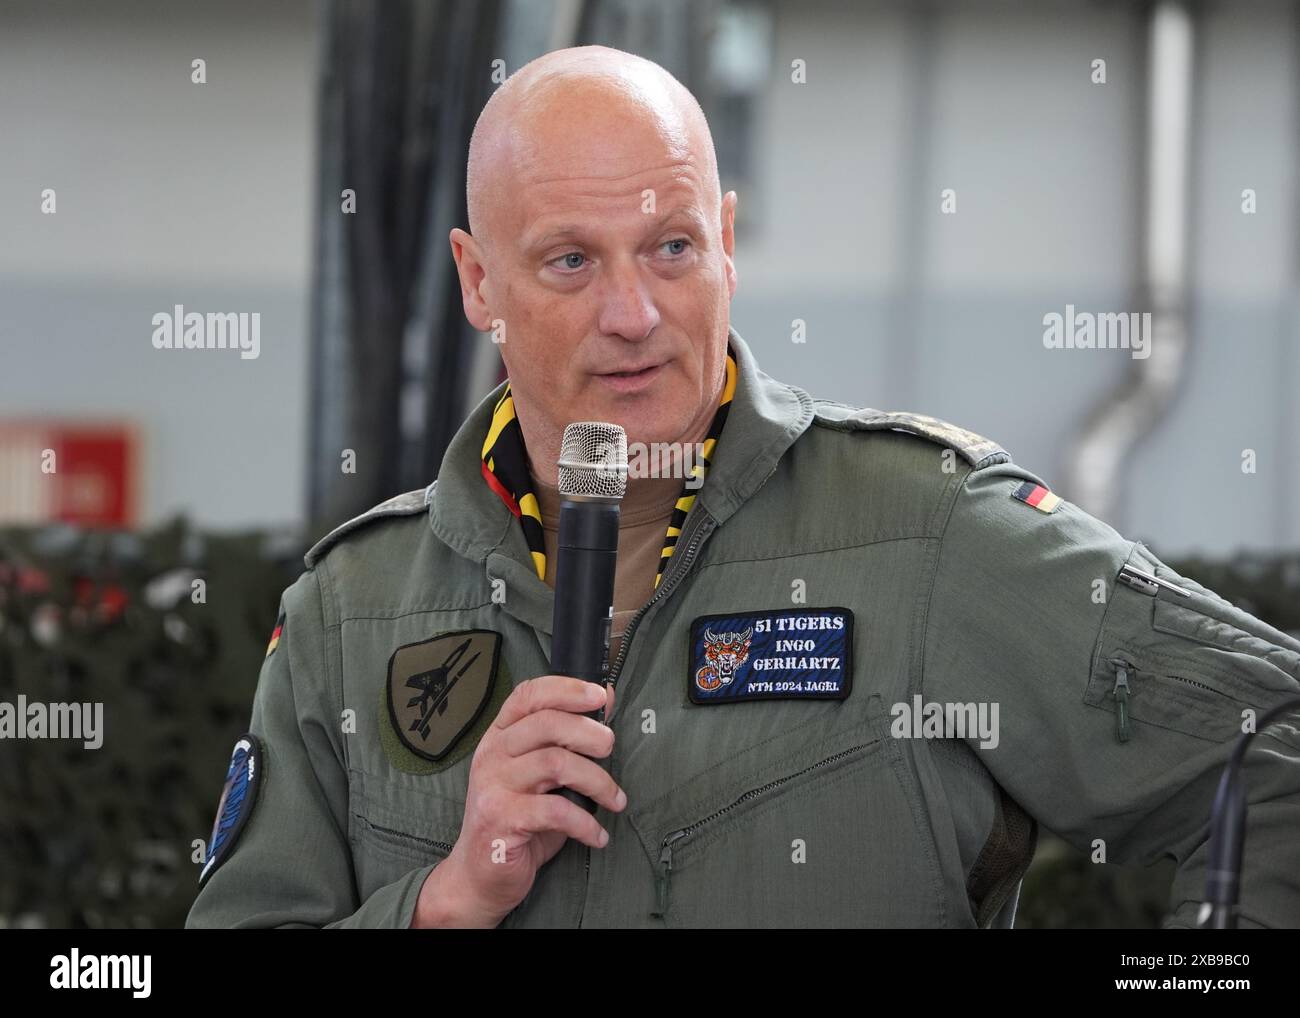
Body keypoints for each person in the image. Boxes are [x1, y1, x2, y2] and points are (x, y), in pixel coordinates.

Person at [186, 45, 1300, 929]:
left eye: (670, 246)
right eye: (571, 260)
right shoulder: (350, 610)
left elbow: (1273, 743)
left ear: (725, 241)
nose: (634, 314)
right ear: (479, 281)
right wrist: (446, 901)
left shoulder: (924, 533)